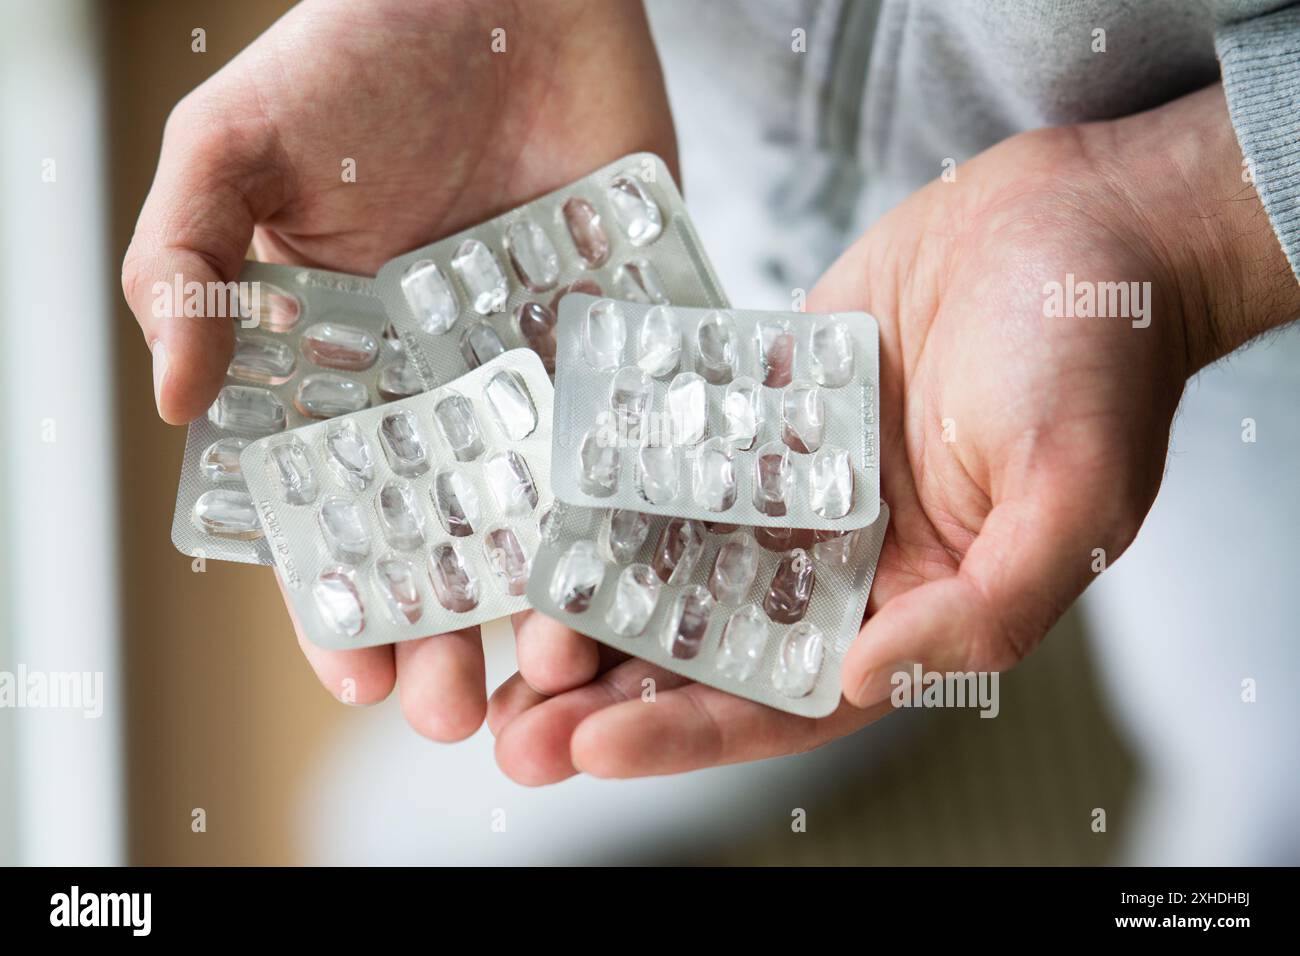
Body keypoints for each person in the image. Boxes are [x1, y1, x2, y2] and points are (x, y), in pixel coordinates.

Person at [123, 0, 1300, 802]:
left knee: (1255, 723)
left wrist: (1196, 223)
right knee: (748, 614)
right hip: (669, 116)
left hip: (1250, 329)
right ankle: (773, 703)